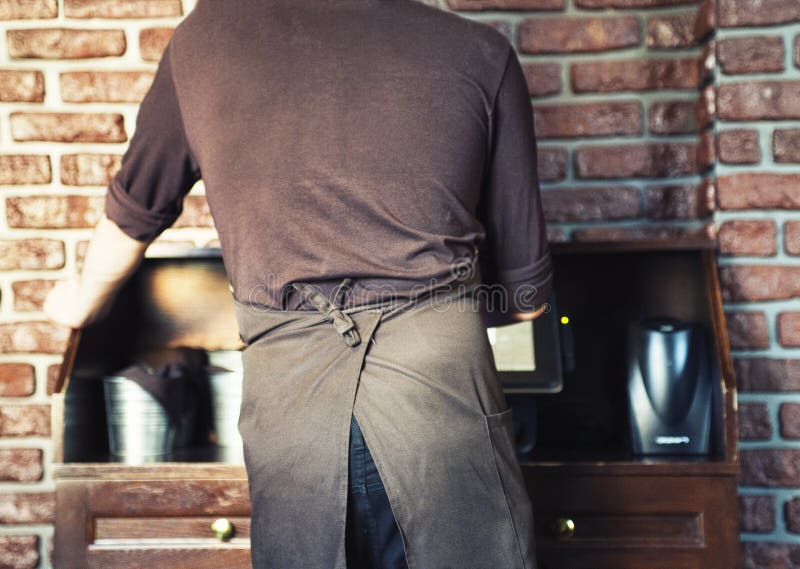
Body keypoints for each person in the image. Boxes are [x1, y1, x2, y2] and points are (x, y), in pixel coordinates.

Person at [44, 1, 553, 568]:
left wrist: (80, 300)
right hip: (442, 399)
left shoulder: (203, 40)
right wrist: (427, 305)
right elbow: (526, 301)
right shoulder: (483, 52)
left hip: (294, 413)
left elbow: (135, 211)